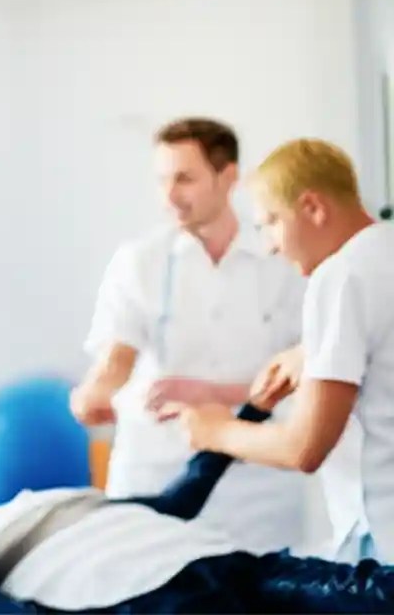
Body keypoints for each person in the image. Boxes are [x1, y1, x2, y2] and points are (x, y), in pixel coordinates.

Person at [0, 394, 393, 612]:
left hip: (221, 564)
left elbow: (173, 505)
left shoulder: (40, 502)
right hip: (148, 600)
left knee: (366, 591)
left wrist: (249, 413)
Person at [70, 116, 307, 553]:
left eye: (185, 179)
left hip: (257, 483)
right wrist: (96, 389)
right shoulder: (139, 261)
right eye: (162, 180)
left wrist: (208, 392)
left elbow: (306, 370)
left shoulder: (283, 263)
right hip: (153, 469)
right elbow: (117, 353)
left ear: (228, 177)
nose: (169, 197)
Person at [169, 138, 394, 563]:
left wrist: (215, 431)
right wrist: (312, 351)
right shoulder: (384, 251)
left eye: (271, 221)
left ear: (312, 207)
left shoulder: (338, 277)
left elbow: (303, 449)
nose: (270, 245)